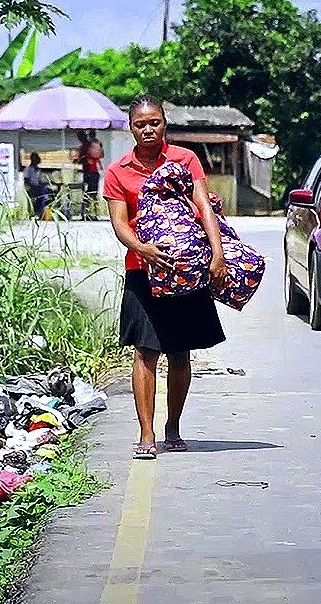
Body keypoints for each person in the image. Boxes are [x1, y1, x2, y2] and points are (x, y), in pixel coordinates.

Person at [103, 94, 227, 460]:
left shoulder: (186, 160)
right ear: (131, 128)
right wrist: (143, 249)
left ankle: (173, 427)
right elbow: (119, 224)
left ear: (164, 124)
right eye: (140, 124)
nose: (148, 129)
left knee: (180, 352)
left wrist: (216, 254)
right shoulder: (118, 172)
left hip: (186, 272)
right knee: (145, 352)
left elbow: (204, 206)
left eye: (154, 122)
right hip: (142, 272)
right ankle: (147, 432)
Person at [76, 130, 104, 221]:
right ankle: (92, 214)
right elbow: (101, 155)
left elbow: (81, 159)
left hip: (89, 171)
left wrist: (80, 159)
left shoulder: (87, 146)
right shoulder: (97, 144)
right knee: (92, 194)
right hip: (94, 171)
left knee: (87, 194)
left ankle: (86, 213)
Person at [24, 151, 48, 219]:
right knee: (38, 197)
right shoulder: (28, 169)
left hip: (37, 187)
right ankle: (35, 212)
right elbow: (26, 180)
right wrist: (33, 186)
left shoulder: (38, 170)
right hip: (31, 188)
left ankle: (40, 213)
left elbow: (39, 180)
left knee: (44, 194)